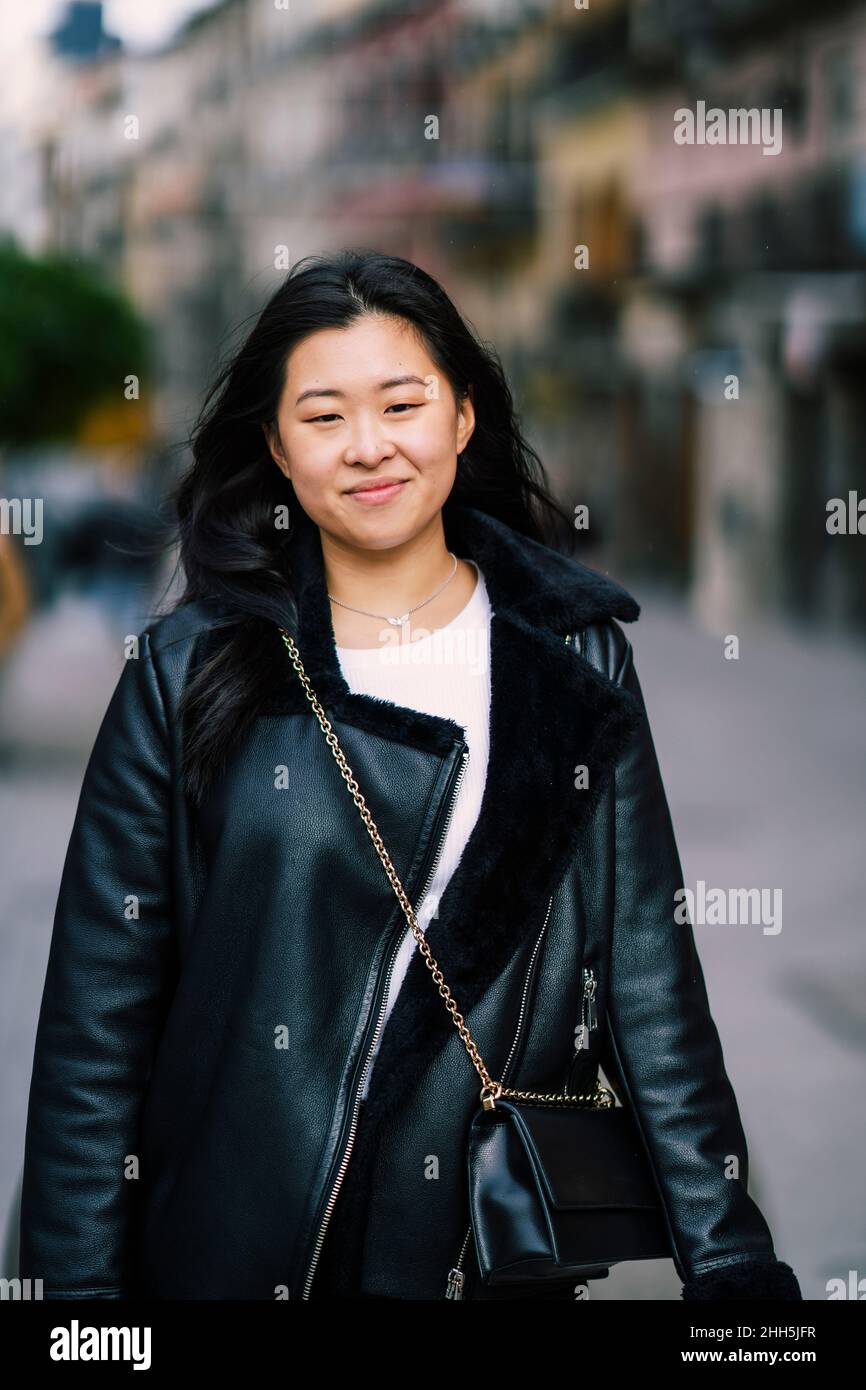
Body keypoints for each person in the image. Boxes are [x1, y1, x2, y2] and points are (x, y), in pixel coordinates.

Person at [18, 250, 801, 1302]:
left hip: (477, 1253)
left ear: (462, 415)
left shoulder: (570, 659)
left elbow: (648, 988)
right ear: (275, 445)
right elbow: (94, 1030)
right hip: (233, 1253)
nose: (369, 446)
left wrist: (736, 1278)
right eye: (324, 415)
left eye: (401, 401)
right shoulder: (190, 672)